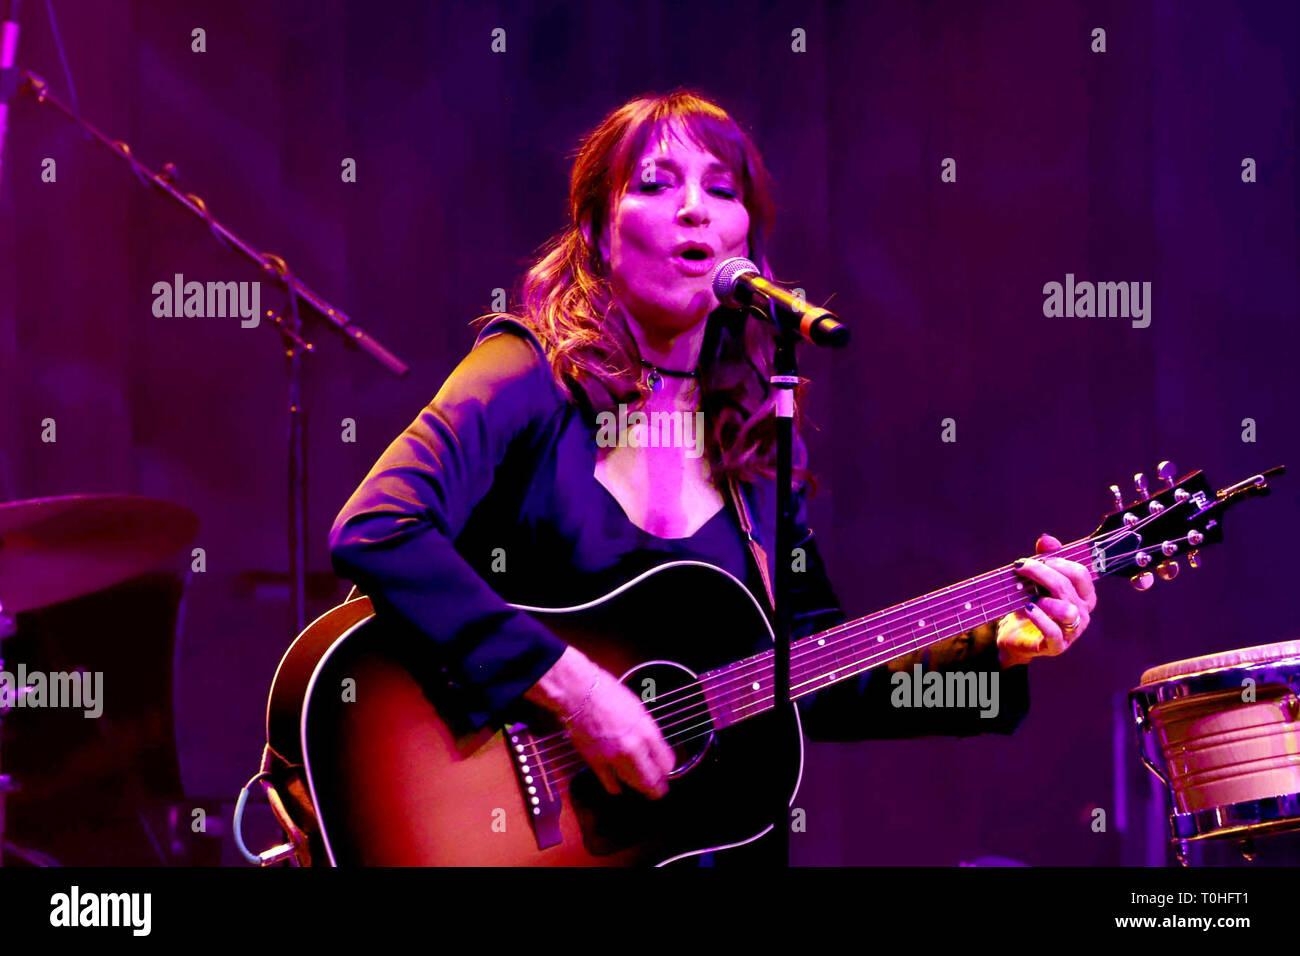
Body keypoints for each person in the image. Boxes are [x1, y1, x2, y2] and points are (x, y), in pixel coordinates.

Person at [327, 89, 1097, 855]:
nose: (696, 209)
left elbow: (809, 676)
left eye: (722, 191)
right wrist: (574, 687)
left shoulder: (757, 446)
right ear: (597, 231)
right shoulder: (526, 374)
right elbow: (377, 529)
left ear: (747, 246)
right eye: (657, 184)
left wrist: (994, 647)